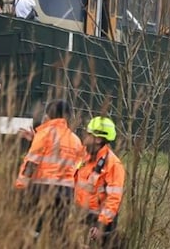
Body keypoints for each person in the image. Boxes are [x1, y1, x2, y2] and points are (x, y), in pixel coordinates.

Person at [16, 99, 86, 239]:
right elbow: (77, 167)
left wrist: (21, 185)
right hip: (66, 192)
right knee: (57, 233)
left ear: (48, 115)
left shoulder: (44, 134)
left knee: (34, 231)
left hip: (41, 190)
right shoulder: (76, 140)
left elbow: (32, 162)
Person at [74, 116, 125, 246]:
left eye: (89, 134)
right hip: (80, 218)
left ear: (98, 139)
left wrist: (101, 224)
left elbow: (113, 199)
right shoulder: (83, 156)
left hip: (101, 225)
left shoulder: (113, 164)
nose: (85, 137)